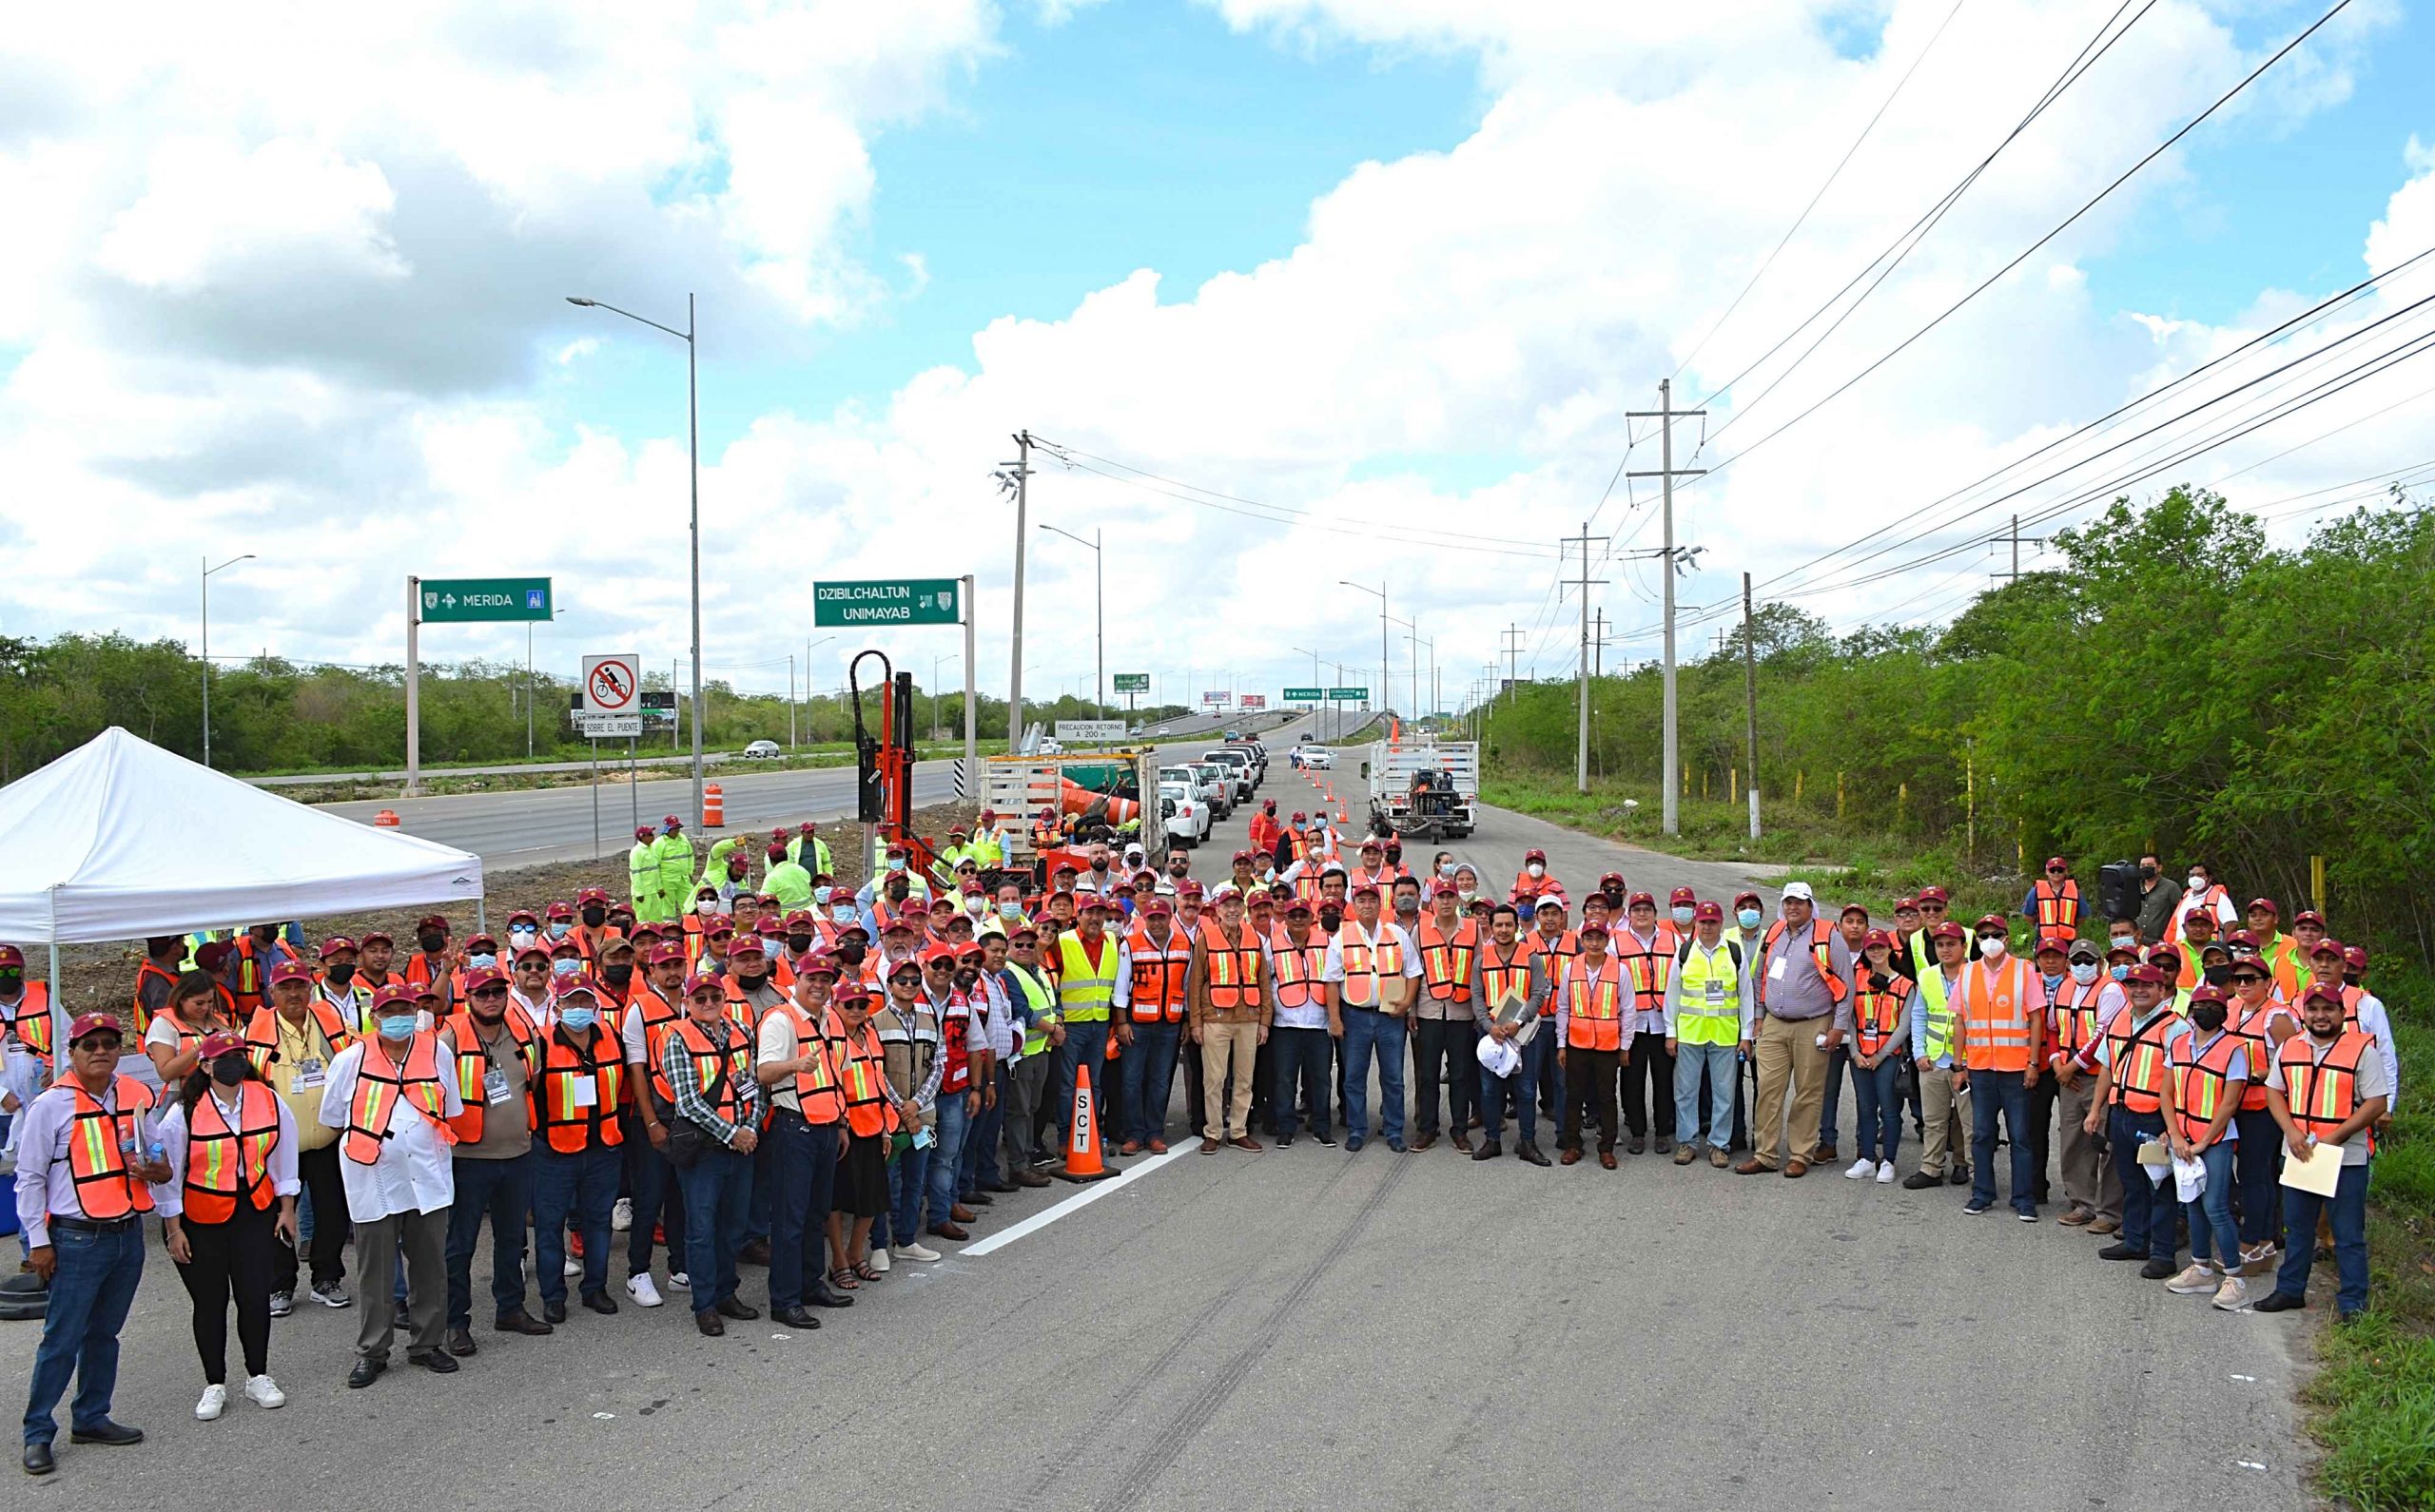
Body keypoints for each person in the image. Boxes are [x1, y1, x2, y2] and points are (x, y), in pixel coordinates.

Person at [15, 1013, 166, 1474]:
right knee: (61, 1340)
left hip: (127, 1234)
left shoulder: (135, 1094)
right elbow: (29, 1178)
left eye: (109, 1043)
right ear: (72, 1052)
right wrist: (39, 1243)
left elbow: (159, 1155)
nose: (100, 1051)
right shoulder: (49, 1106)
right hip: (75, 1239)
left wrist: (158, 1170)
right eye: (90, 1044)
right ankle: (37, 1433)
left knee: (105, 1334)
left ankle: (91, 1416)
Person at [321, 985, 461, 1387]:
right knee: (376, 1272)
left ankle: (427, 1343)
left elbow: (451, 1107)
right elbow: (333, 1116)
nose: (398, 1017)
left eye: (405, 1009)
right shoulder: (351, 1059)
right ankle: (373, 1351)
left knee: (430, 1265)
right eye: (390, 1011)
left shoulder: (437, 1052)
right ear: (375, 1017)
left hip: (428, 1178)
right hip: (374, 1178)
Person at [153, 1030, 297, 1421]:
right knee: (210, 1302)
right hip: (201, 1218)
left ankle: (258, 1375)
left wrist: (287, 1208)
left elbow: (283, 1157)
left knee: (254, 1297)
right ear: (205, 1066)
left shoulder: (269, 1100)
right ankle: (214, 1382)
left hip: (255, 1212)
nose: (234, 1064)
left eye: (239, 1056)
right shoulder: (183, 1112)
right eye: (224, 1058)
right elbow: (169, 1176)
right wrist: (174, 1229)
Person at [2254, 986, 2387, 1321]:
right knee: (2297, 1228)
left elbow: (2376, 1102)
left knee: (2347, 1234)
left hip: (2345, 1156)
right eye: (2313, 1009)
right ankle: (2290, 1290)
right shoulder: (2290, 1046)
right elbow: (2274, 1091)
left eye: (2328, 1009)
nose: (2320, 1016)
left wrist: (2336, 1136)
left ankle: (2353, 1303)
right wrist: (2290, 1131)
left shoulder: (2362, 1051)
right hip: (2300, 1152)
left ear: (2342, 1013)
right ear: (2304, 1014)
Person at [439, 967, 547, 1355]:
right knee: (460, 1244)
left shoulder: (523, 1033)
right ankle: (455, 1322)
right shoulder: (449, 1038)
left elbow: (533, 1081)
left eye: (497, 992)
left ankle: (511, 1308)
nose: (491, 999)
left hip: (517, 1154)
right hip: (468, 1158)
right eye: (482, 993)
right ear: (468, 997)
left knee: (512, 1238)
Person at [243, 961, 353, 1312]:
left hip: (328, 1140)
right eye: (285, 987)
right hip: (278, 1147)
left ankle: (326, 1278)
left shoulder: (331, 1022)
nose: (294, 994)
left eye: (300, 986)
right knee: (276, 1215)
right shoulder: (253, 1034)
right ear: (272, 993)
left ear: (310, 989)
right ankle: (280, 1285)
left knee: (333, 1213)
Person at [660, 972, 765, 1336]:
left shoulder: (742, 1032)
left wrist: (751, 1128)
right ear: (687, 1002)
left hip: (742, 1148)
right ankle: (704, 1304)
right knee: (701, 1230)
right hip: (704, 1151)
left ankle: (726, 1292)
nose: (708, 1004)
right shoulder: (676, 1037)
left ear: (724, 999)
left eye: (714, 997)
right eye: (700, 998)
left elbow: (756, 1088)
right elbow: (687, 1102)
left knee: (733, 1227)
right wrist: (734, 1134)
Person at [756, 956, 854, 1328]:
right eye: (812, 978)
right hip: (793, 1128)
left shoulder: (831, 1019)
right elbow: (763, 1072)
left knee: (816, 1214)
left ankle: (811, 1284)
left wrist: (841, 1124)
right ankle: (784, 1300)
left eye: (826, 979)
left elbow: (838, 1075)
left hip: (826, 1126)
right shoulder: (781, 1020)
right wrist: (795, 1065)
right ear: (797, 979)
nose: (819, 985)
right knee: (790, 1219)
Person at [1740, 882, 1851, 1177]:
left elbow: (1846, 986)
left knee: (1808, 1092)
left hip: (1813, 1024)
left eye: (1799, 902)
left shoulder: (1829, 936)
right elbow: (1760, 976)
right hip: (1774, 1024)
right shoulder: (1775, 932)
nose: (1793, 907)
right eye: (1788, 902)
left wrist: (1839, 1027)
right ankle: (1765, 1154)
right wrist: (1759, 1016)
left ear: (1810, 906)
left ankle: (1801, 1155)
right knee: (1768, 1090)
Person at [529, 979, 624, 1324]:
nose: (579, 1009)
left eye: (585, 1002)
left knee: (599, 1223)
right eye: (571, 1003)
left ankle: (595, 1288)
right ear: (557, 1008)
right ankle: (553, 1296)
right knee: (550, 1226)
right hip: (555, 1149)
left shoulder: (611, 1037)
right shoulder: (541, 1042)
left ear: (596, 1007)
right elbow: (529, 1090)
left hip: (603, 1147)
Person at [2083, 964, 2183, 1280]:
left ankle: (2163, 1253)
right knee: (2132, 1183)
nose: (2139, 990)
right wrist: (2095, 1110)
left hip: (2154, 1119)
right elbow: (2106, 1068)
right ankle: (2136, 1241)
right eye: (2133, 985)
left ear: (2162, 990)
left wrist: (2171, 1128)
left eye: (2147, 985)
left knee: (2160, 1187)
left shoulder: (2175, 1027)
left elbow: (2182, 1082)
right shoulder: (2120, 1020)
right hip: (2122, 1114)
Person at [2158, 986, 2250, 1309]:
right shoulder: (2178, 1043)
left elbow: (2229, 1103)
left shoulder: (2234, 1049)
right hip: (2183, 1137)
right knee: (2192, 1203)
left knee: (2215, 1206)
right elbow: (2166, 1093)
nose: (2205, 1011)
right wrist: (2175, 1134)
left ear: (2224, 1012)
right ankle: (2201, 1269)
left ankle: (2235, 1278)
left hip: (2215, 1139)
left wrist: (2202, 1142)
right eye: (2200, 1005)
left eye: (2213, 1005)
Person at [1951, 915, 2045, 1219]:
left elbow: (2036, 1019)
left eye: (1995, 934)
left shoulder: (2024, 969)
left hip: (2016, 1069)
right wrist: (1958, 1065)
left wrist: (2033, 1063)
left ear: (2006, 938)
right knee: (1982, 1135)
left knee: (2020, 1136)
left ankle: (2023, 1198)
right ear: (1977, 940)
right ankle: (1982, 1193)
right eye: (1983, 935)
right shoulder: (1967, 972)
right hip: (1980, 1069)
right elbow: (1961, 1022)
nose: (1989, 939)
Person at [620, 944, 690, 1307]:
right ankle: (637, 1272)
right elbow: (637, 1070)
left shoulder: (695, 1001)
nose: (672, 971)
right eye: (665, 966)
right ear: (651, 972)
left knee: (680, 1195)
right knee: (649, 1197)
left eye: (678, 964)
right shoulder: (640, 1008)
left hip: (688, 1116)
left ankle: (680, 1266)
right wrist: (649, 1121)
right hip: (655, 1116)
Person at [1325, 883, 1416, 1153]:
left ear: (1380, 904)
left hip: (1391, 1016)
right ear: (1353, 906)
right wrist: (1335, 1019)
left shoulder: (1397, 934)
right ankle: (1356, 1130)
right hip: (1355, 1016)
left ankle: (1394, 1130)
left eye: (1372, 900)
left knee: (1393, 1077)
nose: (1367, 905)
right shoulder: (1341, 937)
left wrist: (1407, 1004)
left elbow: (1413, 972)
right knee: (1354, 1077)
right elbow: (1331, 982)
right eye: (1361, 900)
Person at [825, 984, 902, 1290]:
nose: (856, 1010)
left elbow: (879, 1081)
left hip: (872, 1123)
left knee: (872, 1197)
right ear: (836, 1006)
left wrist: (885, 1127)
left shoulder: (870, 1034)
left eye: (862, 1004)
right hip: (843, 1127)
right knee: (836, 1200)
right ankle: (839, 1261)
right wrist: (840, 1123)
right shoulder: (829, 1036)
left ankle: (855, 1254)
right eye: (849, 1004)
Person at [2048, 940, 2128, 1234]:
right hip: (2067, 1078)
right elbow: (2053, 1029)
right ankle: (2082, 1203)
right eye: (2077, 960)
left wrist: (2071, 1066)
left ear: (2101, 963)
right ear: (2069, 964)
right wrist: (2057, 1064)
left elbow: (2102, 1034)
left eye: (2089, 960)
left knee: (2104, 1142)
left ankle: (2110, 1210)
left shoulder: (2110, 990)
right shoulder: (2063, 987)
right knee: (2072, 1141)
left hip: (2097, 1076)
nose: (2083, 966)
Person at [1193, 887, 1270, 1153]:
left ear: (1244, 909)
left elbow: (1263, 981)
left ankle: (1238, 1131)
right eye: (1227, 906)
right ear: (1218, 910)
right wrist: (1196, 1022)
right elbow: (1196, 982)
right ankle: (1213, 1132)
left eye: (1237, 905)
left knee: (1244, 1079)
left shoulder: (1253, 936)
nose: (1232, 910)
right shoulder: (1207, 937)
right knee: (1214, 1079)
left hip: (1248, 1017)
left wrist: (1265, 1021)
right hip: (1216, 1018)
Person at [875, 958, 942, 1264]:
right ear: (890, 985)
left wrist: (916, 1105)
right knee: (886, 1183)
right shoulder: (875, 1022)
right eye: (902, 980)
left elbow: (938, 1066)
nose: (909, 985)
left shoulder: (930, 1021)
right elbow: (875, 1070)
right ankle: (879, 1245)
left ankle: (906, 1241)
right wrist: (903, 1109)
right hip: (889, 1119)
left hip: (922, 1116)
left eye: (915, 980)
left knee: (915, 1182)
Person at [1053, 898, 1128, 1165]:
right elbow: (1052, 981)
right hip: (1072, 1025)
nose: (1095, 918)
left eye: (1100, 913)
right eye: (1090, 912)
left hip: (1099, 1023)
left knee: (1094, 1085)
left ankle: (1089, 1134)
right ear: (1079, 914)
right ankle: (1065, 1138)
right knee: (1067, 1085)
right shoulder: (1063, 941)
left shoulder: (1112, 943)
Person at [1901, 923, 1973, 1191]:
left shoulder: (1975, 975)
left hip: (1966, 1063)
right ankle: (1931, 1168)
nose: (1945, 949)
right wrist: (1919, 1052)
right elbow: (1919, 1015)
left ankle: (1970, 1168)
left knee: (1969, 1122)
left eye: (1951, 944)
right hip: (1933, 1060)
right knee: (1933, 1121)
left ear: (1964, 947)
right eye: (1940, 944)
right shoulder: (1928, 975)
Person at [1412, 881, 1480, 1153]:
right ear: (1434, 901)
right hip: (1429, 1012)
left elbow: (1480, 972)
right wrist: (1411, 1010)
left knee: (1460, 1075)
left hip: (1462, 1013)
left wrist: (1480, 1012)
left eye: (1451, 896)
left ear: (1458, 900)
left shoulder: (1473, 929)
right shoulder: (1420, 930)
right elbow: (1412, 972)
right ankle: (1427, 1129)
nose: (1446, 901)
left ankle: (1459, 1130)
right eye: (1441, 897)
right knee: (1428, 1075)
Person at [1552, 919, 1627, 1169]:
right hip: (1577, 1043)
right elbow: (1563, 1008)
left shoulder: (1620, 970)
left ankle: (1606, 1148)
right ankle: (1573, 1144)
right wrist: (1561, 1044)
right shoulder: (1570, 968)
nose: (1594, 943)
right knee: (1574, 1095)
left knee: (1606, 1097)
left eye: (1599, 938)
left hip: (1608, 1045)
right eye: (1589, 938)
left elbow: (1628, 1011)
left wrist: (1625, 1046)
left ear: (1607, 941)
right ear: (1582, 941)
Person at [1121, 898, 1192, 1153]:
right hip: (1137, 1023)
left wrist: (1186, 1020)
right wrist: (1121, 1022)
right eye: (1151, 918)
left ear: (1170, 917)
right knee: (1132, 1080)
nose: (1156, 922)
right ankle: (1134, 1134)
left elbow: (1186, 986)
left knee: (1160, 1081)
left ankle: (1154, 1133)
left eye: (1161, 917)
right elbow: (1121, 986)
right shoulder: (1130, 944)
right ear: (1144, 919)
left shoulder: (1184, 945)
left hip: (1170, 1024)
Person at [1613, 890, 1682, 1156]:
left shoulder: (1673, 940)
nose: (1642, 914)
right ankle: (1637, 1133)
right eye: (1637, 910)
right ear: (1629, 914)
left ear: (1655, 914)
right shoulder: (1616, 943)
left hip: (1664, 1024)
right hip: (1633, 1026)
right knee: (1632, 1081)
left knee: (1664, 1081)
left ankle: (1662, 1132)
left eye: (1647, 910)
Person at [1841, 930, 1909, 1182]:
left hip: (1888, 1056)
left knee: (1889, 1109)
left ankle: (1889, 1160)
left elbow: (1904, 1026)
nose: (1876, 952)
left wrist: (1881, 1055)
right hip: (1860, 1055)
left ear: (1890, 949)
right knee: (1865, 1107)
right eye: (1871, 948)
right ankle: (1867, 1158)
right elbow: (1850, 1018)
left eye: (1881, 947)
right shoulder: (1856, 979)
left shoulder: (1905, 984)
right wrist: (1855, 1052)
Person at [1266, 896, 1334, 1149]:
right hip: (1285, 1024)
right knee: (1285, 1079)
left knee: (1321, 1079)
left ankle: (1321, 1127)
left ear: (1311, 918)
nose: (1297, 919)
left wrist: (1335, 1018)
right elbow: (1265, 981)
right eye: (1292, 915)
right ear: (1285, 918)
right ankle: (1286, 1128)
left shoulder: (1327, 942)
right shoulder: (1272, 945)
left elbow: (1334, 980)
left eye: (1302, 915)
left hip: (1318, 1022)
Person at [998, 924, 1058, 1184]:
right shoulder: (1008, 973)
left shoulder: (1038, 970)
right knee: (1019, 1110)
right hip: (1022, 1054)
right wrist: (1054, 1029)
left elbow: (1055, 1000)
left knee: (1032, 1107)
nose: (1025, 949)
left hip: (1041, 1048)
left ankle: (1026, 1157)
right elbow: (1022, 1011)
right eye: (1019, 945)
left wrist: (1058, 1023)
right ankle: (1018, 1166)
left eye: (1030, 945)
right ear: (1009, 947)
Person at [2022, 857, 2083, 949]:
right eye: (2052, 870)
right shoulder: (2037, 890)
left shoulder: (2074, 890)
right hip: (2044, 938)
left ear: (2066, 871)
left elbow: (2082, 915)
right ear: (2047, 872)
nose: (2056, 873)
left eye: (2060, 870)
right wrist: (2039, 926)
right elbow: (2027, 914)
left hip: (2068, 940)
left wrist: (2071, 927)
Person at [2133, 854, 2182, 946]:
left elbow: (2179, 914)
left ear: (2159, 868)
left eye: (2150, 865)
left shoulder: (2171, 887)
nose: (2145, 868)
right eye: (2142, 866)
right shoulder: (2134, 887)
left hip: (2160, 942)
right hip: (2137, 941)